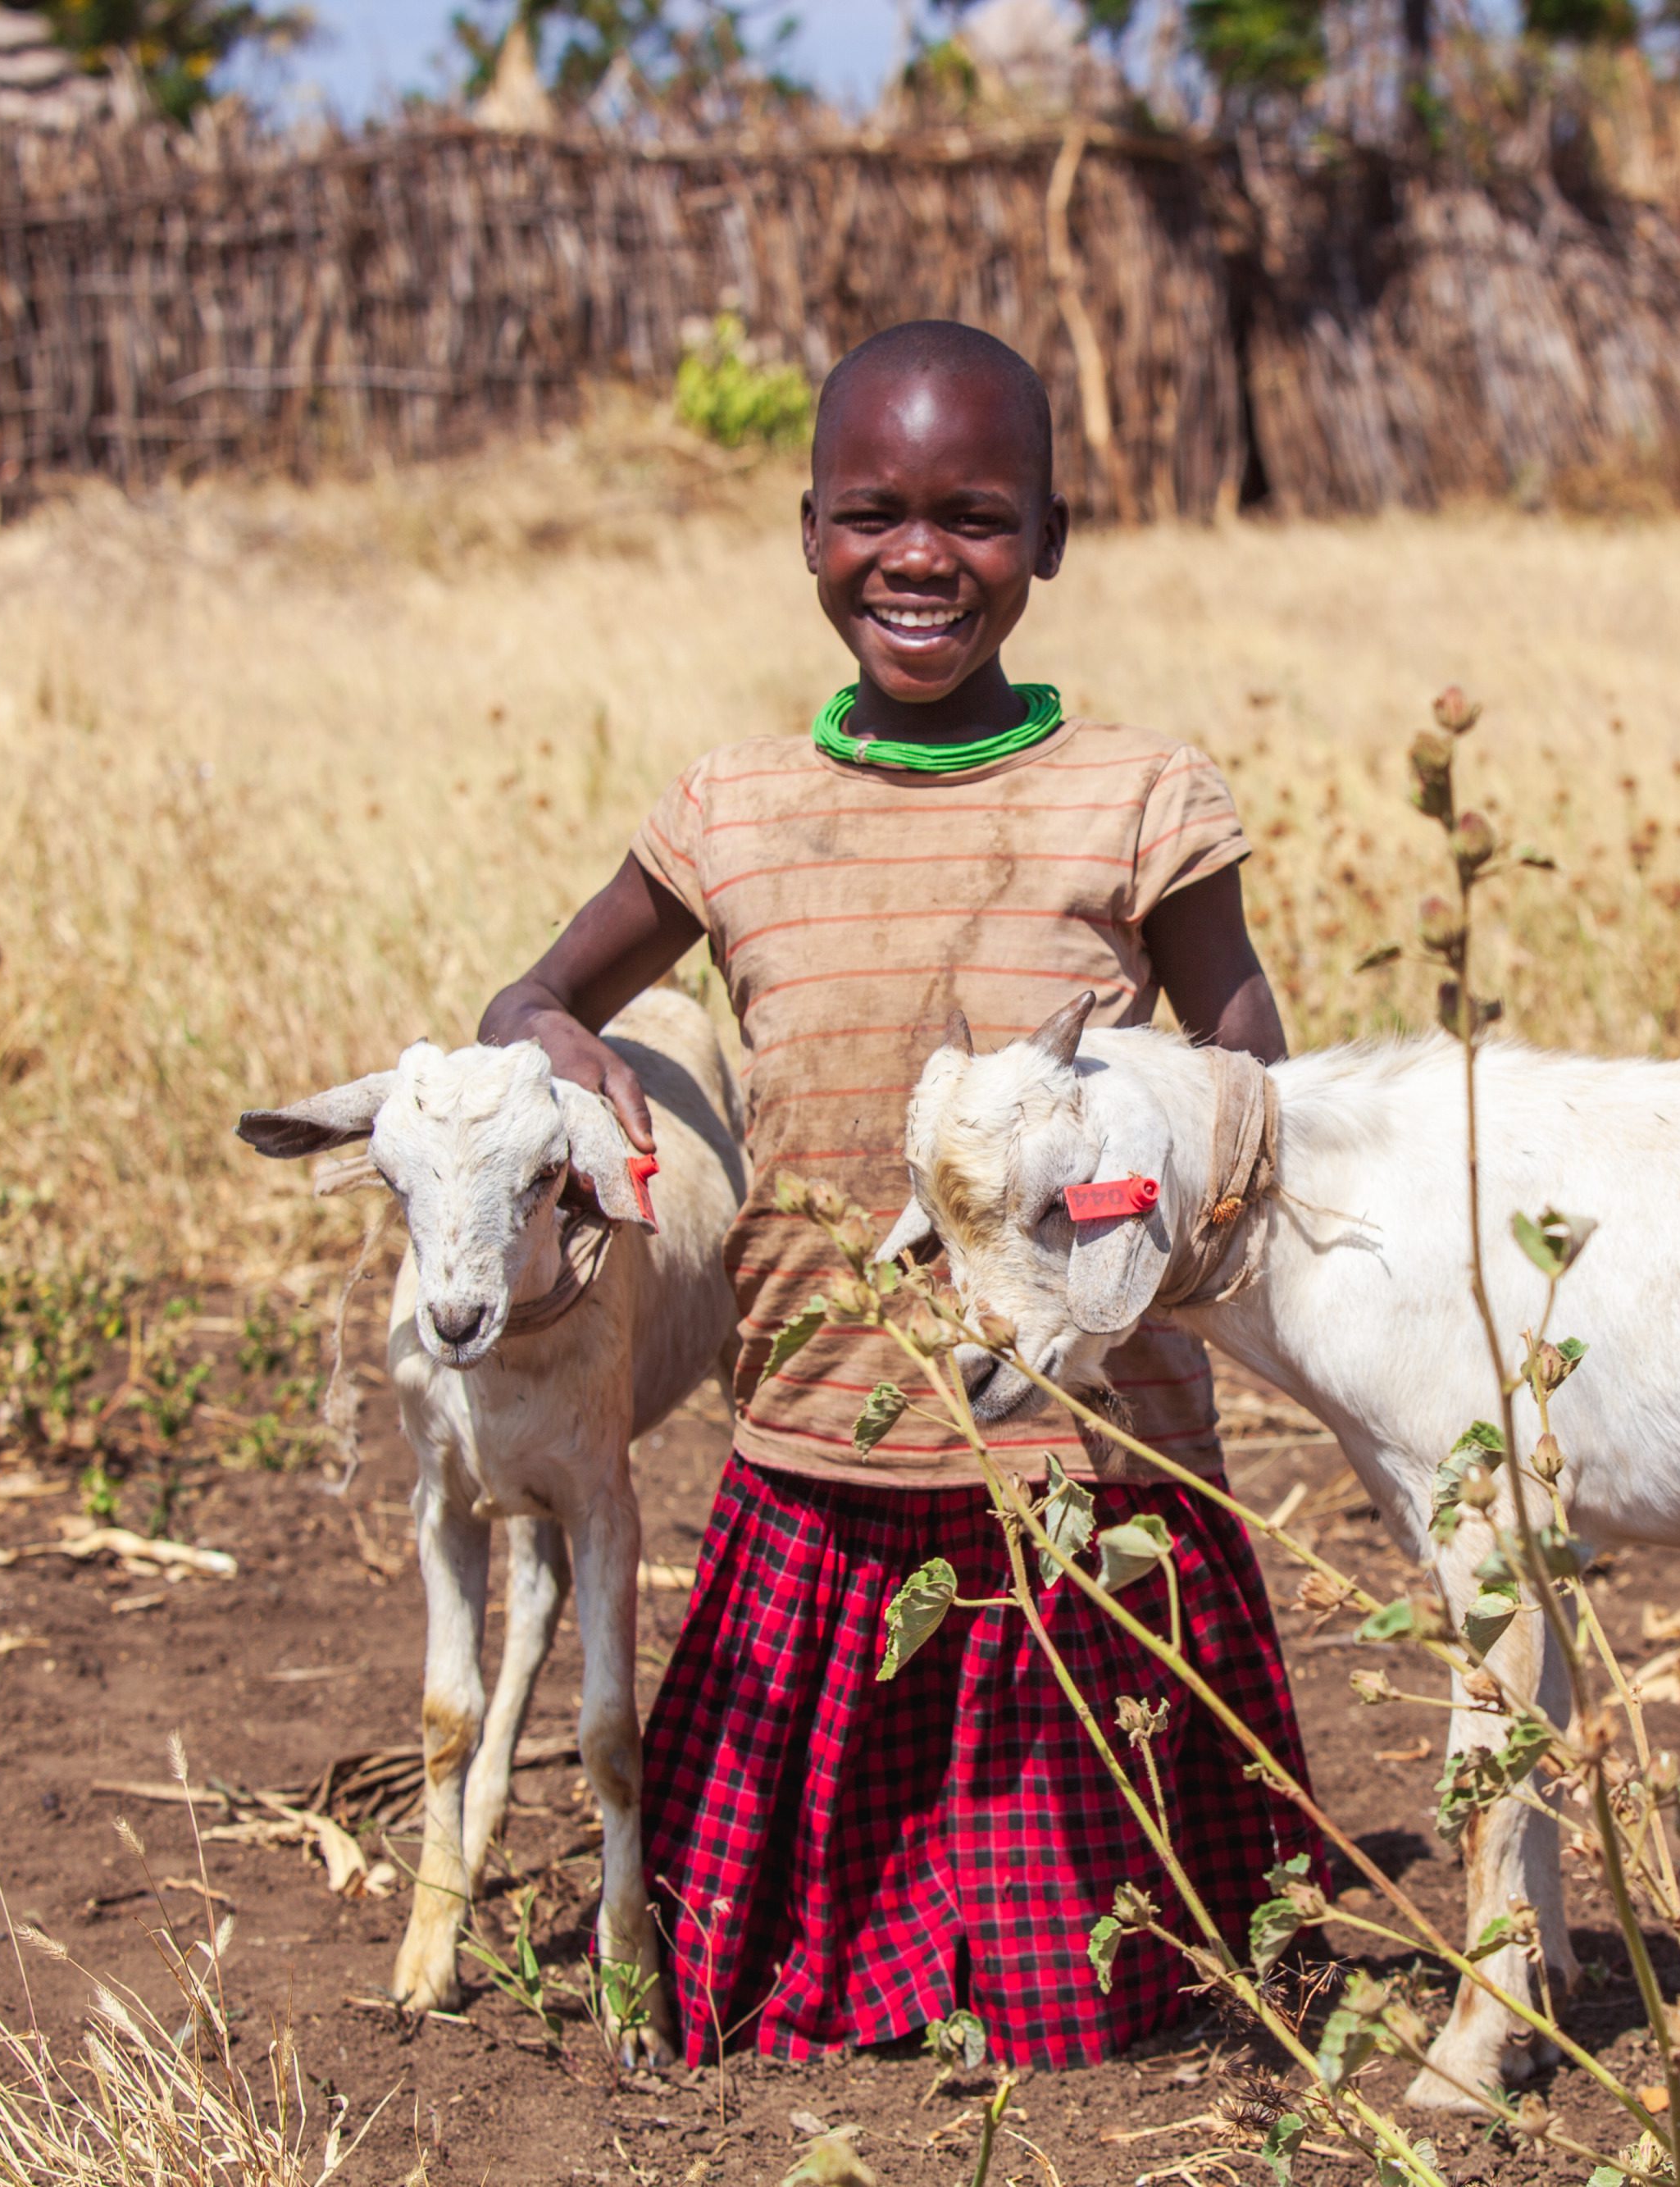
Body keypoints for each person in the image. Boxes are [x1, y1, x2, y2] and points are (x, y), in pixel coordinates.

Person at [476, 319, 1316, 2070]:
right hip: (820, 1451)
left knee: (1088, 2004)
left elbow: (1251, 1092)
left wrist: (1143, 1218)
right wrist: (563, 1047)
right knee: (733, 1983)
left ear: (1051, 537)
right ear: (805, 532)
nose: (920, 556)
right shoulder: (732, 806)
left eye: (975, 516)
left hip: (1089, 1471)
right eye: (871, 512)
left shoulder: (1138, 796)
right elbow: (527, 998)